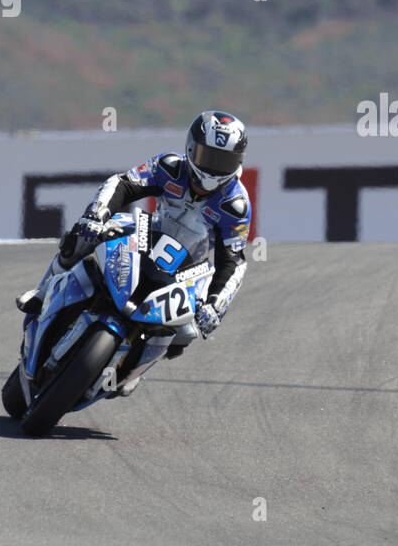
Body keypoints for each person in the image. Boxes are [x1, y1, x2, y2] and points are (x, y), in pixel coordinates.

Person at [16, 111, 251, 382]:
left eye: (223, 161)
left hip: (189, 268)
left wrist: (215, 305)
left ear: (238, 161)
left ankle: (135, 368)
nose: (212, 168)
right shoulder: (170, 166)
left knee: (187, 331)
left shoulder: (235, 205)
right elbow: (123, 184)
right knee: (82, 237)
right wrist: (96, 214)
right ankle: (44, 292)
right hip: (147, 233)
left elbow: (233, 260)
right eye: (207, 157)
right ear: (190, 148)